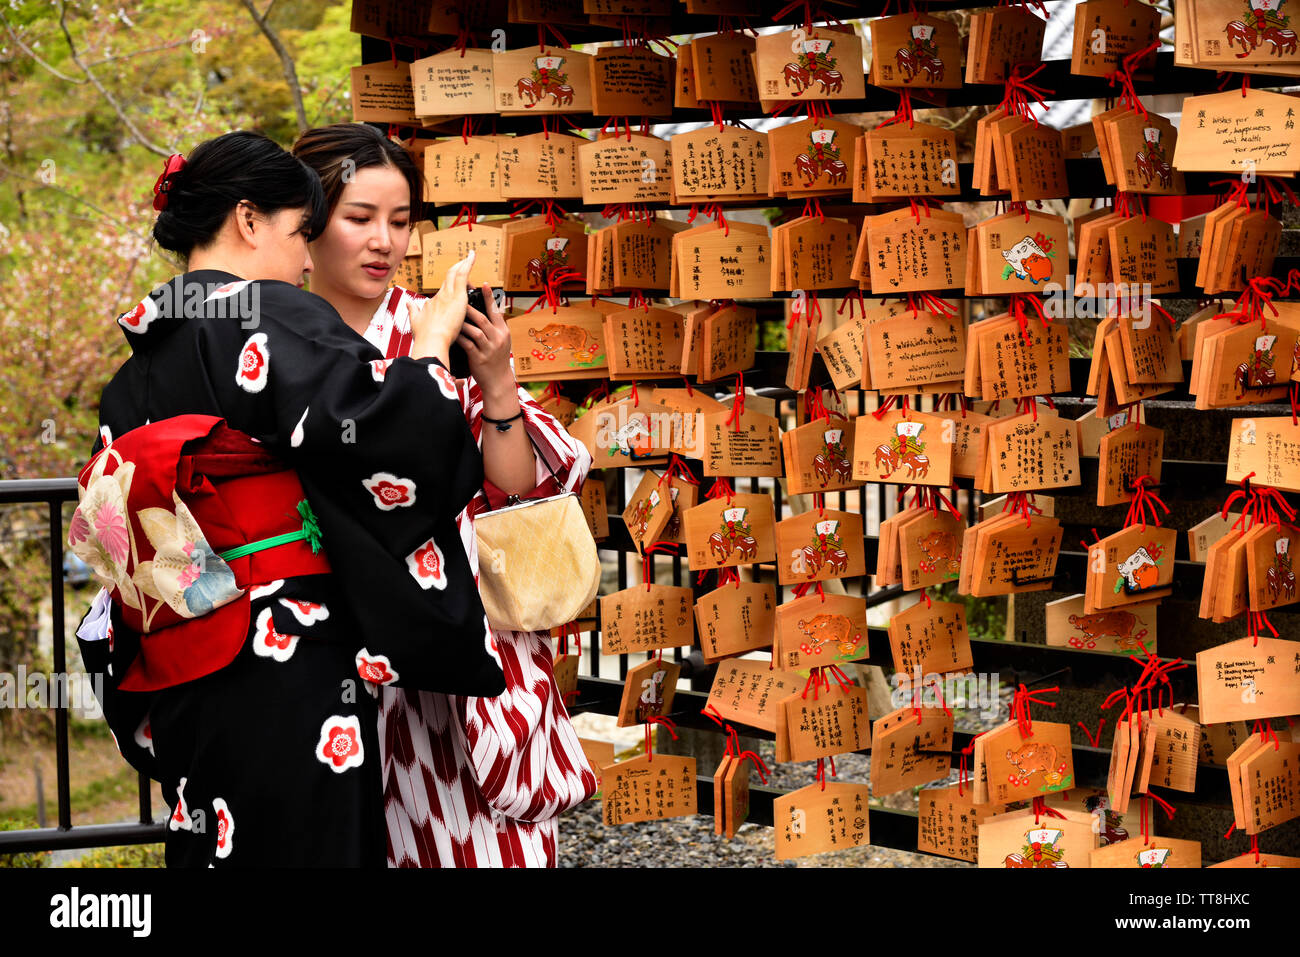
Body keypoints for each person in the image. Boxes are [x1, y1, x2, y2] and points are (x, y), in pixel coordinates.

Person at [72, 131, 504, 867]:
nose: (307, 260)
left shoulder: (134, 371)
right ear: (247, 221)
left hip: (185, 661)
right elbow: (378, 438)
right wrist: (429, 351)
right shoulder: (263, 314)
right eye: (301, 232)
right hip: (284, 654)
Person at [292, 123, 597, 868]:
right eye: (359, 218)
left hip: (452, 652)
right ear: (305, 221)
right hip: (322, 652)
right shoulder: (278, 341)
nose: (383, 243)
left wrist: (497, 386)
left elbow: (516, 496)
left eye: (399, 222)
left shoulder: (438, 324)